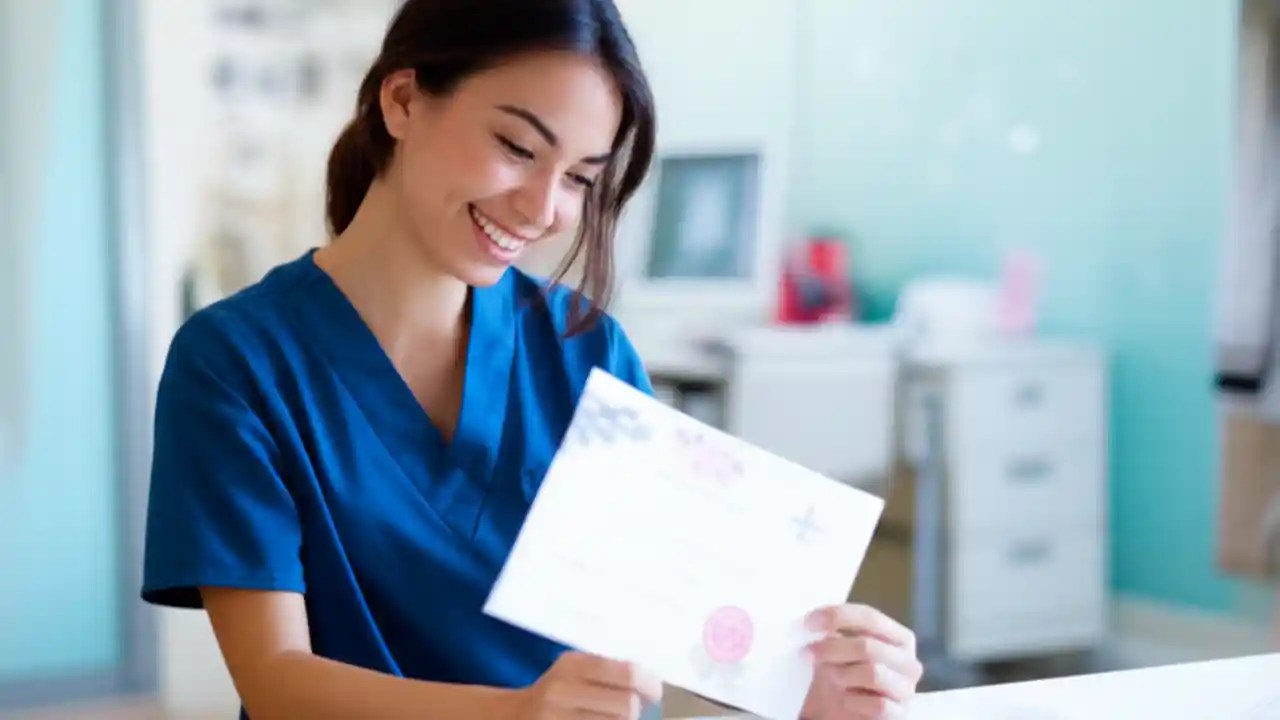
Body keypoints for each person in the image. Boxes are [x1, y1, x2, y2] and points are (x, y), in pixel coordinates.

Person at [140, 1, 924, 718]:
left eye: (581, 178)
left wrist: (811, 688)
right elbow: (276, 680)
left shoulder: (588, 350)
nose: (544, 210)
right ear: (403, 100)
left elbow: (672, 636)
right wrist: (516, 715)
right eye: (518, 147)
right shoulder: (235, 363)